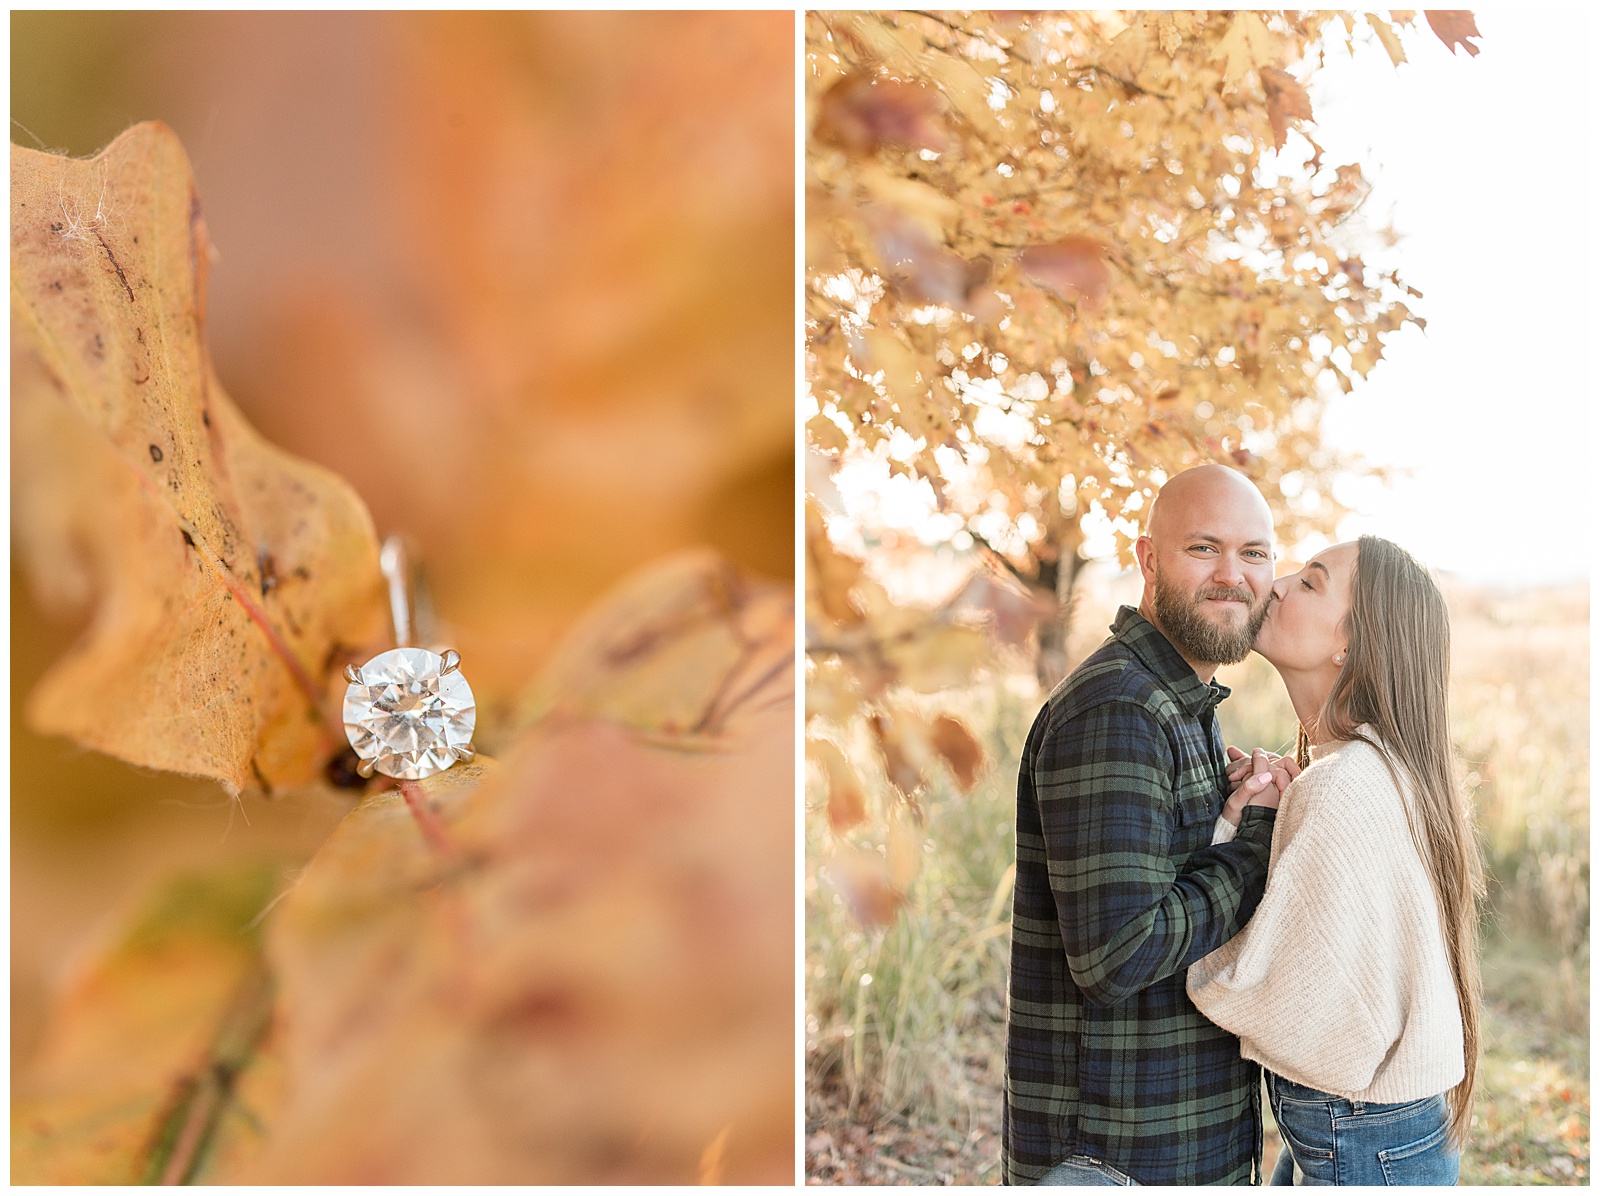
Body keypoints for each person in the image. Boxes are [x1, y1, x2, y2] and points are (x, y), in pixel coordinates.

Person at [1002, 465, 1287, 1186]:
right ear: (1147, 560)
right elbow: (1120, 954)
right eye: (1204, 548)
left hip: (1173, 1146)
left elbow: (1171, 894)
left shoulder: (1179, 701)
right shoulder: (1120, 707)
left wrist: (1227, 818)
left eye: (1254, 553)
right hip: (1117, 1158)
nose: (1233, 575)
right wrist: (1255, 842)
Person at [1187, 537, 1482, 1186]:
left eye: (1313, 583)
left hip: (1360, 1137)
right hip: (1379, 1130)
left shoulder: (1343, 785)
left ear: (1352, 643)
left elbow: (1267, 998)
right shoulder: (1375, 768)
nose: (1280, 584)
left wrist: (1239, 826)